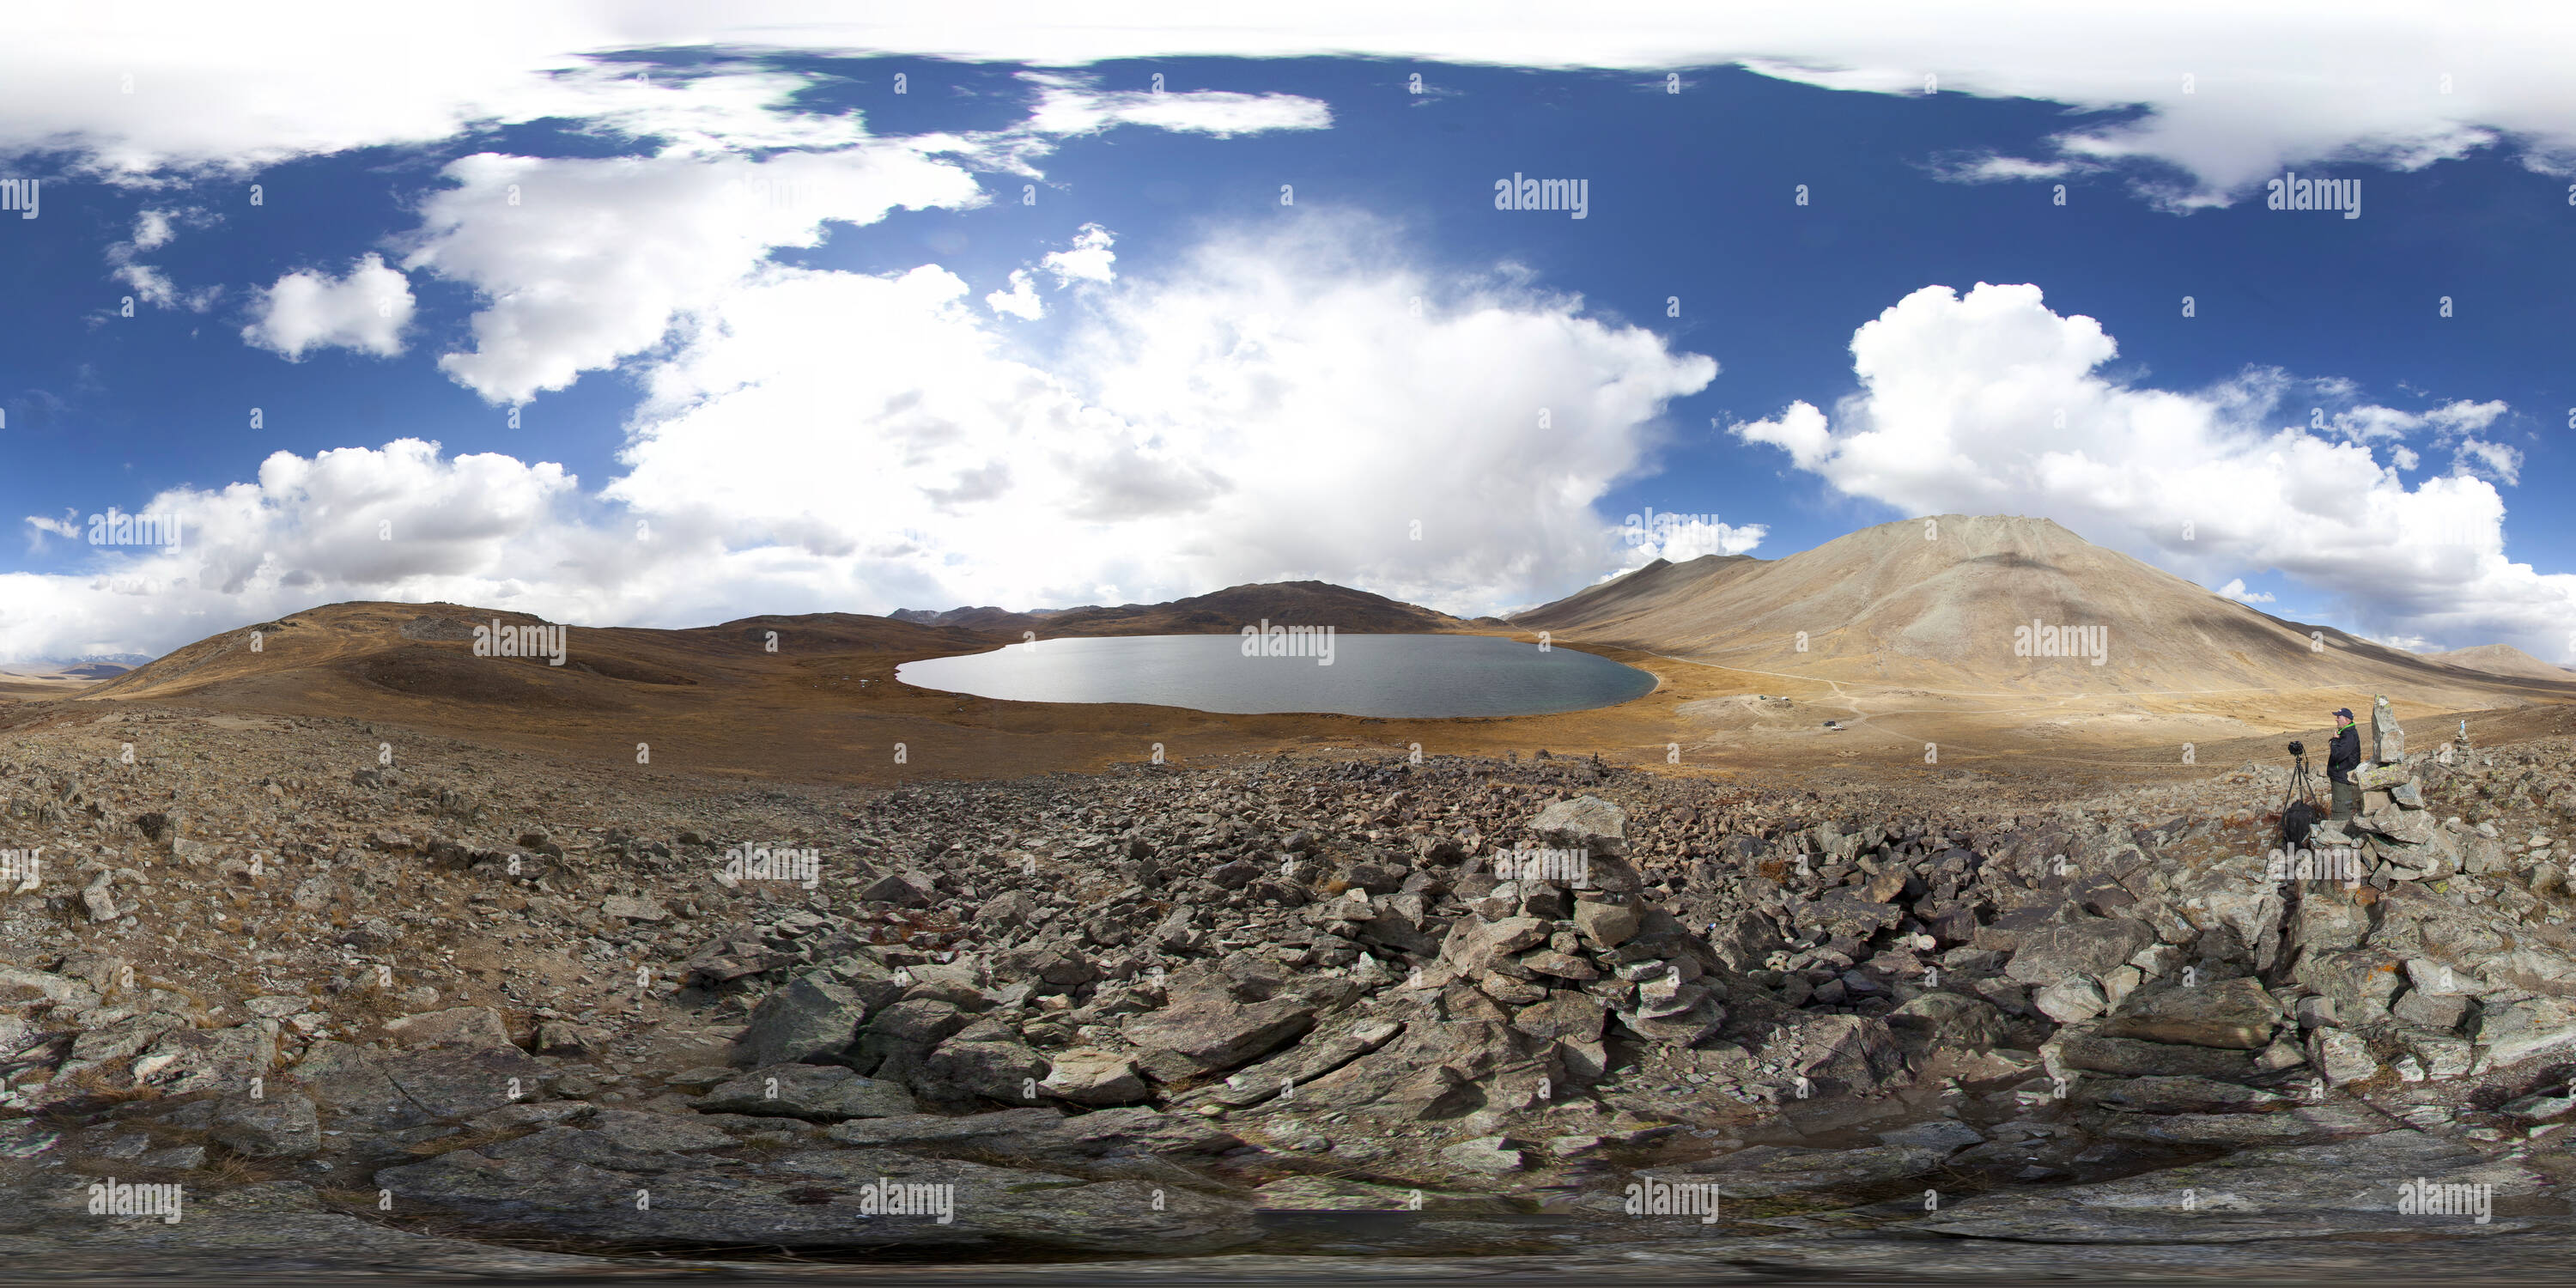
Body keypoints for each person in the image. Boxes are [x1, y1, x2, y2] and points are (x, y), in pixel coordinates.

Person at [2326, 707, 2361, 821]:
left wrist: (2335, 741)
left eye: (2338, 717)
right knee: (2347, 805)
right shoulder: (2347, 733)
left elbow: (2338, 755)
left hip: (2342, 779)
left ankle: (2340, 833)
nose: (2336, 720)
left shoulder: (2349, 735)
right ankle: (2347, 829)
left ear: (2346, 720)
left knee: (2341, 809)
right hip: (2343, 777)